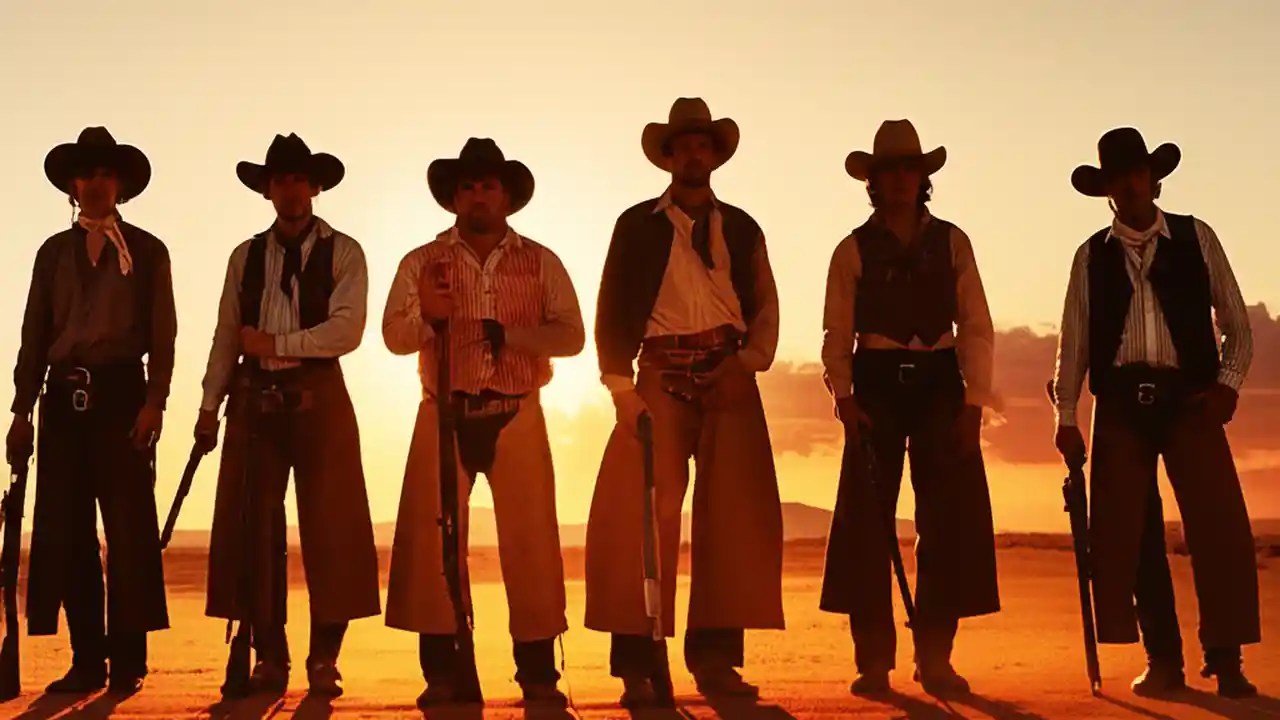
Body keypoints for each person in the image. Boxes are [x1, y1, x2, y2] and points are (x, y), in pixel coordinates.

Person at [584, 97, 784, 706]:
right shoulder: (637, 224)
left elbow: (765, 305)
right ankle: (639, 665)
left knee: (734, 520)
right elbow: (613, 305)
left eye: (703, 144)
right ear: (668, 156)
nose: (694, 153)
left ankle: (717, 661)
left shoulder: (743, 226)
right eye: (683, 145)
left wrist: (746, 362)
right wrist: (621, 387)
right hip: (660, 370)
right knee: (639, 518)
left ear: (714, 154)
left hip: (729, 370)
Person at [1053, 127, 1259, 698]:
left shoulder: (1197, 239)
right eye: (1118, 177)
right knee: (1129, 534)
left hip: (1191, 399)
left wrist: (1227, 386)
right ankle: (1162, 656)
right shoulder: (1090, 256)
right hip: (1119, 402)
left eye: (1136, 172)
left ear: (1152, 177)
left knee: (1217, 528)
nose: (1129, 183)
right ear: (1109, 190)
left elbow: (1238, 328)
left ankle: (1227, 657)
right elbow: (1074, 342)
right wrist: (1065, 416)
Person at [382, 138, 585, 708]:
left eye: (488, 185)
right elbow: (394, 337)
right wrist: (428, 314)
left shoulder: (540, 261)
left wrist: (514, 337)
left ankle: (539, 676)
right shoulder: (421, 262)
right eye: (468, 186)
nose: (478, 196)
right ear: (453, 197)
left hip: (515, 408)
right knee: (433, 543)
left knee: (532, 545)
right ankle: (442, 674)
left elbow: (571, 335)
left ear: (507, 196)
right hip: (444, 410)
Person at [818, 119, 1000, 698]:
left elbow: (975, 324)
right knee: (866, 524)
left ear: (922, 178)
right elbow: (836, 328)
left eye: (908, 169)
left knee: (946, 523)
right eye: (889, 170)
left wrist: (974, 404)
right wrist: (843, 395)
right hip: (873, 382)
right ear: (873, 182)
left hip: (940, 381)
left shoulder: (952, 241)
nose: (899, 179)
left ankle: (935, 656)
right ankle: (873, 659)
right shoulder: (851, 249)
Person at [195, 133, 381, 698]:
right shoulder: (245, 256)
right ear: (268, 189)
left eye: (299, 178)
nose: (290, 189)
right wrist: (208, 405)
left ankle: (325, 657)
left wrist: (275, 340)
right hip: (253, 397)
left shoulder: (345, 251)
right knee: (253, 529)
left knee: (334, 528)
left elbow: (345, 332)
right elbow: (228, 334)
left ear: (316, 186)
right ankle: (268, 656)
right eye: (280, 180)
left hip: (319, 394)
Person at [6, 127, 174, 695]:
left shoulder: (148, 251)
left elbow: (163, 334)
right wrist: (22, 410)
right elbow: (33, 336)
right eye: (87, 174)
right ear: (73, 185)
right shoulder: (52, 254)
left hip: (125, 395)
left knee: (128, 531)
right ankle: (86, 658)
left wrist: (155, 402)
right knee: (69, 532)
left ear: (120, 183)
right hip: (63, 400)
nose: (97, 184)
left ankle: (129, 658)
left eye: (106, 173)